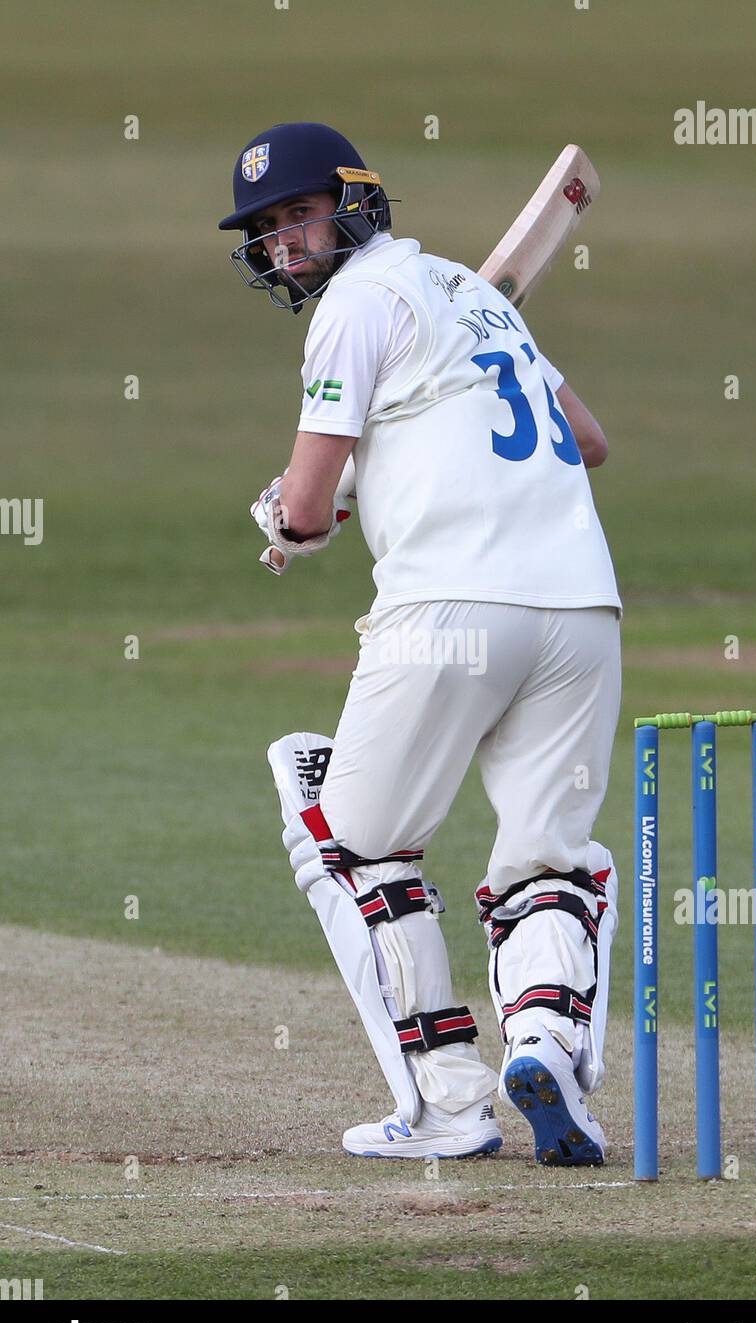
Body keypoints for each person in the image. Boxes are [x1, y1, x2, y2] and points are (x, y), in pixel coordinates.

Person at [219, 122, 622, 1166]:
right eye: (267, 232)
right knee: (544, 856)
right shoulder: (472, 293)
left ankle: (448, 1099)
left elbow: (306, 510)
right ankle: (541, 1041)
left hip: (445, 609)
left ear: (352, 204)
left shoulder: (352, 309)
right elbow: (585, 438)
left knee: (348, 839)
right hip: (580, 610)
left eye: (298, 218)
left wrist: (294, 512)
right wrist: (394, 452)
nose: (285, 246)